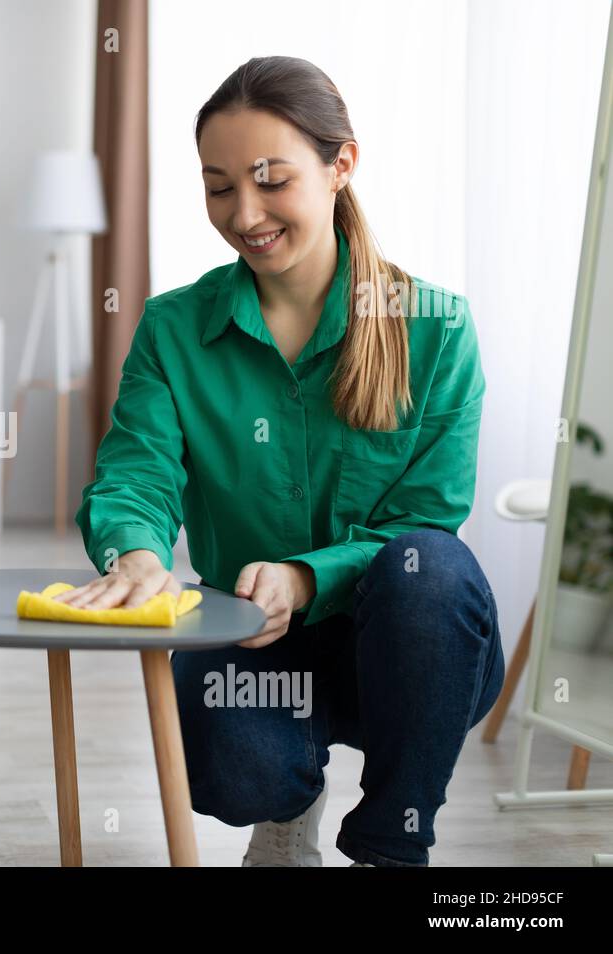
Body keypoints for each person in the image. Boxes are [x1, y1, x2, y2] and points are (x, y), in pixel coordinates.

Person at [57, 56, 504, 867]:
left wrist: (303, 579)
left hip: (406, 654)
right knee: (234, 771)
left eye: (271, 180)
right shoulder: (173, 329)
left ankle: (393, 842)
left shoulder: (436, 328)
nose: (245, 213)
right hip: (251, 642)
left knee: (429, 567)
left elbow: (426, 521)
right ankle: (288, 804)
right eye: (219, 186)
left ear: (341, 165)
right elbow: (136, 472)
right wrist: (137, 554)